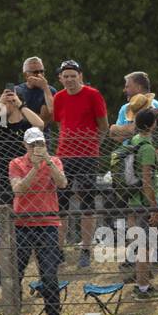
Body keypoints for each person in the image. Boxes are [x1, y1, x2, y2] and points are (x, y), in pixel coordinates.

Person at [50, 60, 108, 268]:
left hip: (87, 156)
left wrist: (91, 147)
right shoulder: (58, 97)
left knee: (87, 204)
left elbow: (103, 126)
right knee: (61, 204)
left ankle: (85, 248)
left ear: (80, 76)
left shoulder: (93, 95)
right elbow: (60, 124)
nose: (69, 79)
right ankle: (58, 249)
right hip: (64, 156)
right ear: (60, 78)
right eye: (65, 76)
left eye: (73, 75)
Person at [8, 127, 67, 315]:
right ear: (25, 145)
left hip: (47, 223)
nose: (36, 148)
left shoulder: (54, 161)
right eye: (32, 144)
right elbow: (18, 190)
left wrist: (47, 162)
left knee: (49, 274)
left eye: (40, 143)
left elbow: (62, 183)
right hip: (23, 224)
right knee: (16, 272)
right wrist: (34, 168)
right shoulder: (16, 163)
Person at [120, 108, 158, 299]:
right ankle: (142, 287)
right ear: (151, 125)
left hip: (134, 200)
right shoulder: (146, 148)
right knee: (146, 246)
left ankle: (142, 281)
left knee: (143, 244)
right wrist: (154, 206)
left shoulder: (134, 140)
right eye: (155, 120)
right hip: (144, 202)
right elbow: (147, 180)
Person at [0, 87, 44, 209]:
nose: (3, 106)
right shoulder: (1, 124)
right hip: (4, 174)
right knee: (5, 210)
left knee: (27, 208)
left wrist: (21, 105)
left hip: (26, 172)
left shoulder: (27, 124)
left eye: (7, 102)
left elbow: (40, 124)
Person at [109, 72, 158, 142]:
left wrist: (116, 128)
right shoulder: (124, 108)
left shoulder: (153, 104)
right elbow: (113, 135)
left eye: (127, 87)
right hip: (127, 151)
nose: (124, 90)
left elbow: (134, 129)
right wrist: (132, 130)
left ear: (138, 88)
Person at [15, 57, 55, 123]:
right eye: (35, 72)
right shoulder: (17, 90)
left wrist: (45, 87)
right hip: (18, 132)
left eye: (42, 71)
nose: (39, 75)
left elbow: (43, 120)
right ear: (26, 75)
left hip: (41, 132)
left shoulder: (50, 91)